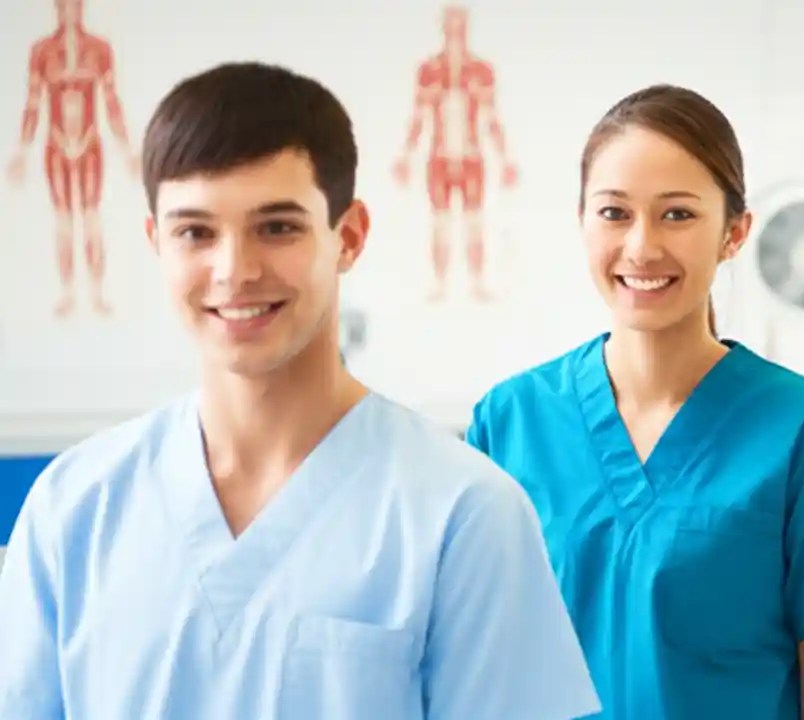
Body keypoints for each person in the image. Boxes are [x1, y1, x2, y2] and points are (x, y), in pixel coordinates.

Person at [0, 61, 599, 720]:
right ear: (156, 243)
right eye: (195, 232)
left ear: (349, 236)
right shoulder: (74, 509)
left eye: (277, 227)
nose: (235, 270)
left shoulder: (463, 513)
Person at [466, 83, 804, 719]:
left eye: (677, 214)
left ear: (735, 233)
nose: (642, 247)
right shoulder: (510, 422)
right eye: (614, 213)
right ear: (581, 222)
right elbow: (478, 673)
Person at [7, 0, 139, 318]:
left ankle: (96, 292)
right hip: (56, 144)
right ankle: (67, 292)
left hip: (89, 142)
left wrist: (127, 150)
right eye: (63, 5)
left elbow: (111, 101)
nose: (69, 11)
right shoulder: (42, 51)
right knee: (64, 220)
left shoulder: (99, 48)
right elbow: (33, 103)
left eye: (74, 5)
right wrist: (22, 152)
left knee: (91, 217)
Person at [392, 4, 518, 303]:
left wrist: (504, 159)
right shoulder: (429, 70)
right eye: (451, 24)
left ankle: (476, 282)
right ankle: (439, 283)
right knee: (441, 223)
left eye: (459, 24)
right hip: (440, 156)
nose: (455, 30)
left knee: (474, 222)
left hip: (471, 156)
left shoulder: (480, 71)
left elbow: (490, 117)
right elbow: (419, 116)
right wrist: (406, 157)